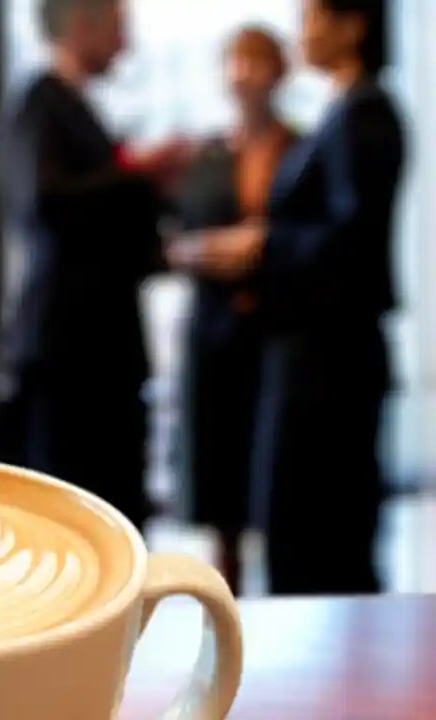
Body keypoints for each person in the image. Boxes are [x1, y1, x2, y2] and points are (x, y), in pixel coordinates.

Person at [190, 0, 404, 595]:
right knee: (295, 533)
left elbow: (352, 239)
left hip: (329, 361)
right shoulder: (343, 112)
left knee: (319, 537)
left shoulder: (365, 115)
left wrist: (262, 246)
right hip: (306, 355)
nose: (301, 32)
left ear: (352, 25)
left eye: (311, 18)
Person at [0, 0, 187, 529]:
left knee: (113, 512)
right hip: (68, 351)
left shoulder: (75, 109)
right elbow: (48, 202)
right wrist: (137, 175)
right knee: (71, 519)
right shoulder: (39, 103)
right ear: (84, 26)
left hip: (100, 352)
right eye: (119, 31)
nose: (125, 47)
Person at [167, 27, 297, 593]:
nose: (245, 74)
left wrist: (252, 247)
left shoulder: (299, 148)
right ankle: (229, 606)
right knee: (220, 487)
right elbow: (179, 242)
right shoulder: (207, 155)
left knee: (277, 477)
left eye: (257, 61)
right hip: (214, 335)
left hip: (275, 333)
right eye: (236, 61)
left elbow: (288, 238)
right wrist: (233, 248)